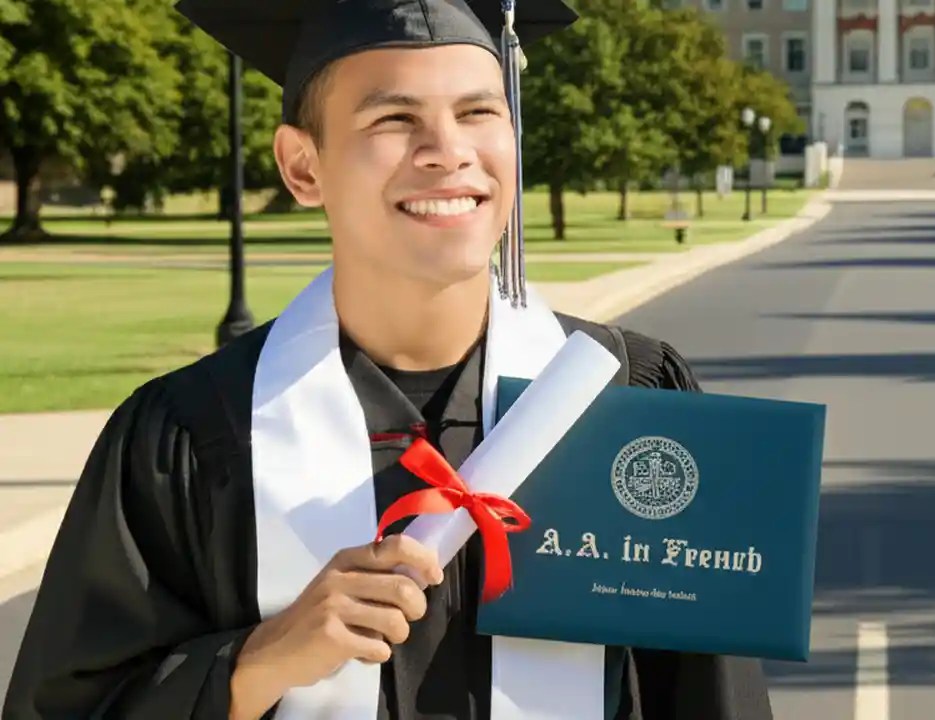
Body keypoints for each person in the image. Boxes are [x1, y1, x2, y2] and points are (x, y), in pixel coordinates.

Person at [1, 0, 774, 718]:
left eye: (479, 112)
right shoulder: (192, 437)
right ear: (303, 167)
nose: (449, 152)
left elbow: (712, 699)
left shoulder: (624, 398)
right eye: (396, 118)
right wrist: (258, 661)